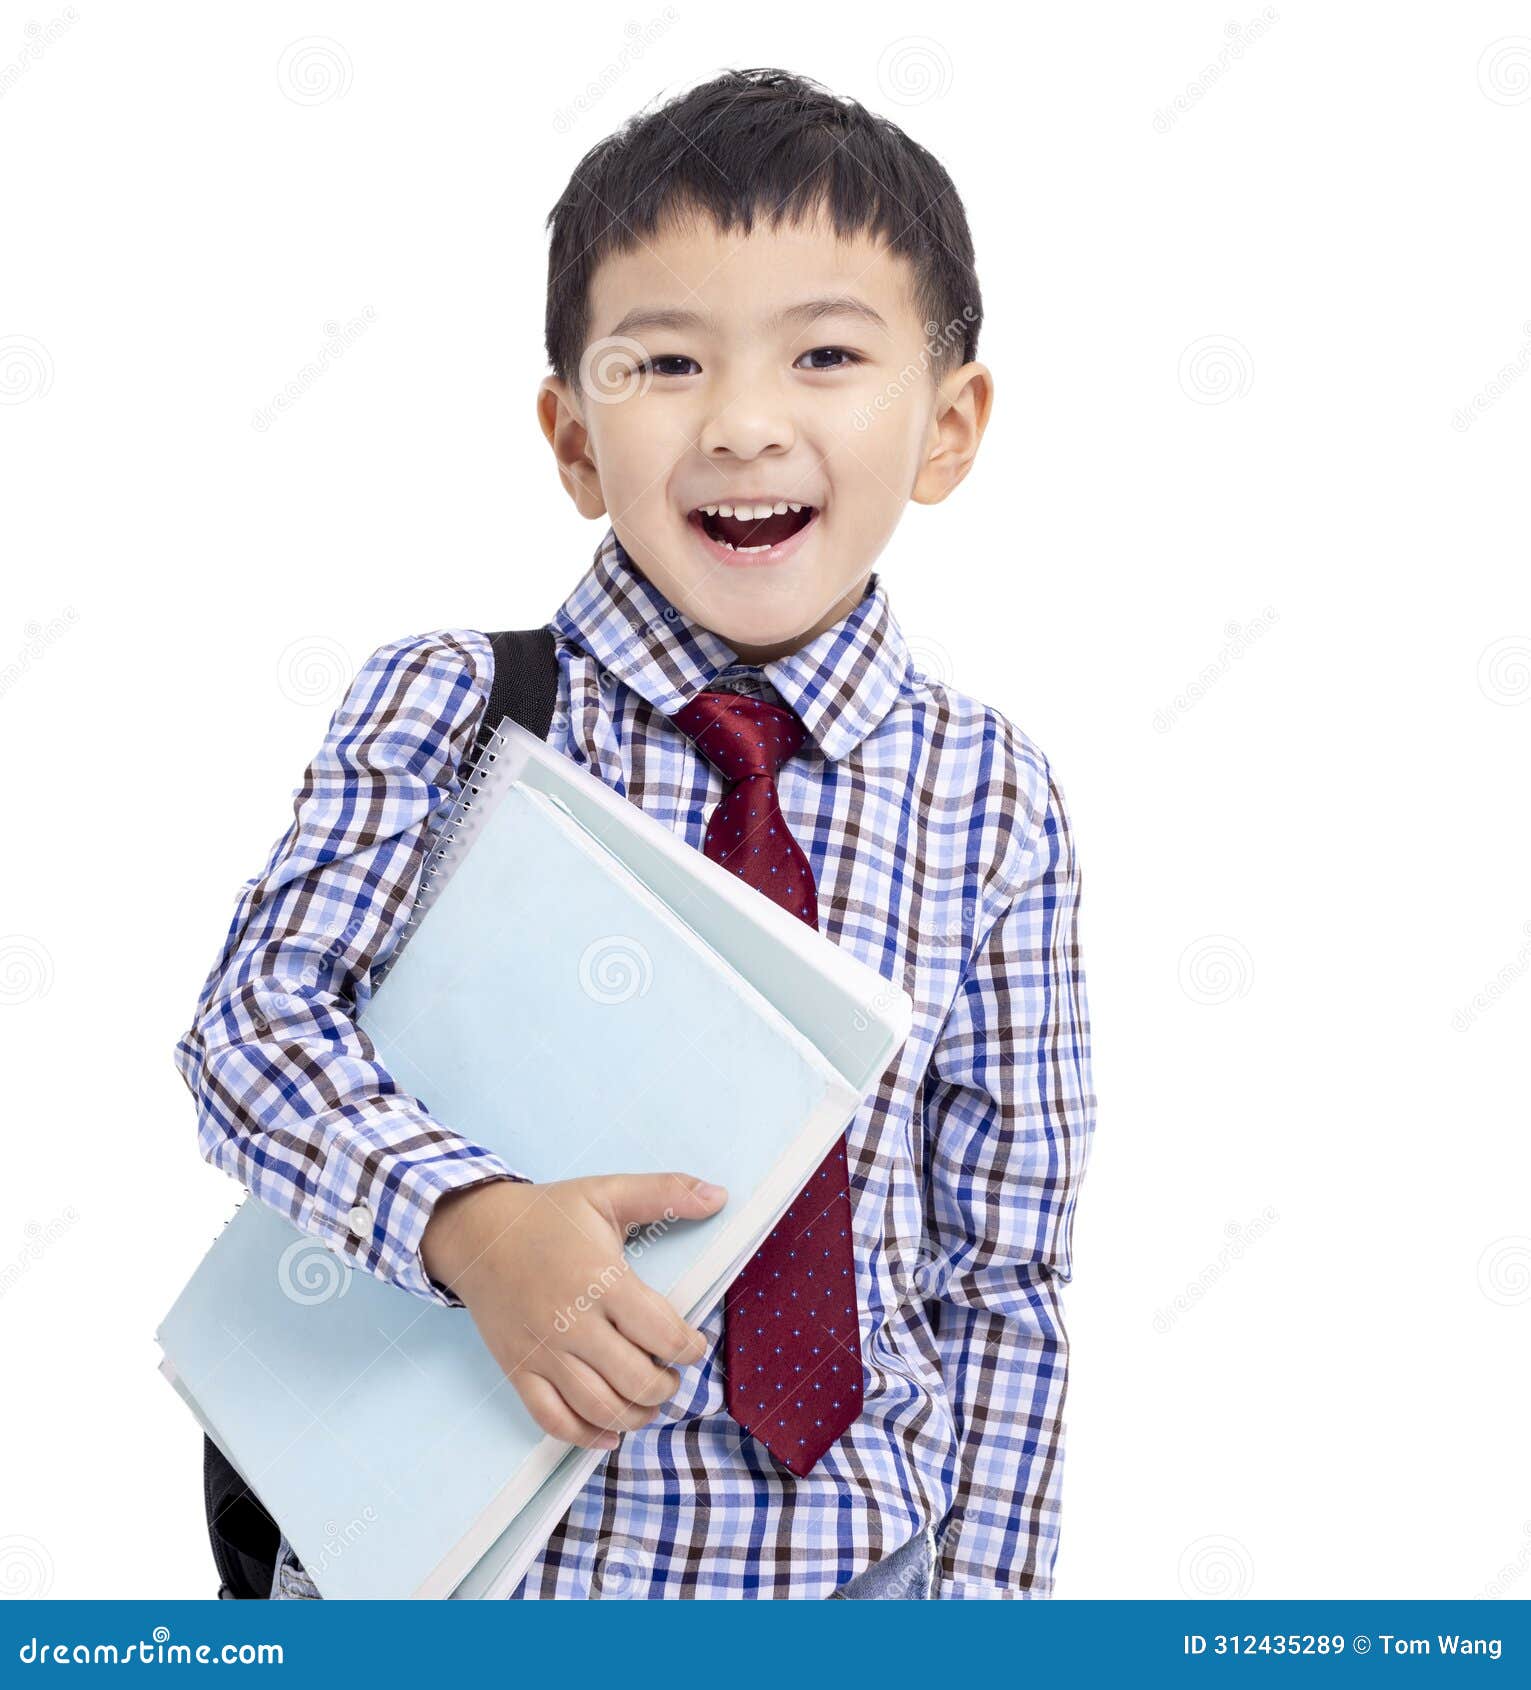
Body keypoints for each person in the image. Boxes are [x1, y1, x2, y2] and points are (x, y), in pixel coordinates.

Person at [175, 66, 1097, 1601]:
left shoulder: (997, 796)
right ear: (574, 437)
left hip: (849, 1574)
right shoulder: (457, 708)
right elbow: (251, 1033)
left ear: (949, 427)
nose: (743, 424)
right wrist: (468, 1222)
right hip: (472, 1565)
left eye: (823, 354)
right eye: (665, 361)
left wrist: (989, 1620)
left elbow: (1004, 1269)